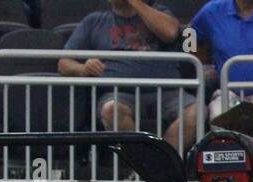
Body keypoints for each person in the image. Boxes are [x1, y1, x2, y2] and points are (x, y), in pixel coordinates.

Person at [58, 1, 192, 152]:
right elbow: (63, 62)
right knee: (111, 110)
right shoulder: (94, 20)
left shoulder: (159, 11)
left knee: (196, 112)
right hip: (119, 93)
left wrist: (135, 2)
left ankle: (160, 162)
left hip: (168, 92)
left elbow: (170, 33)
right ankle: (144, 166)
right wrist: (83, 68)